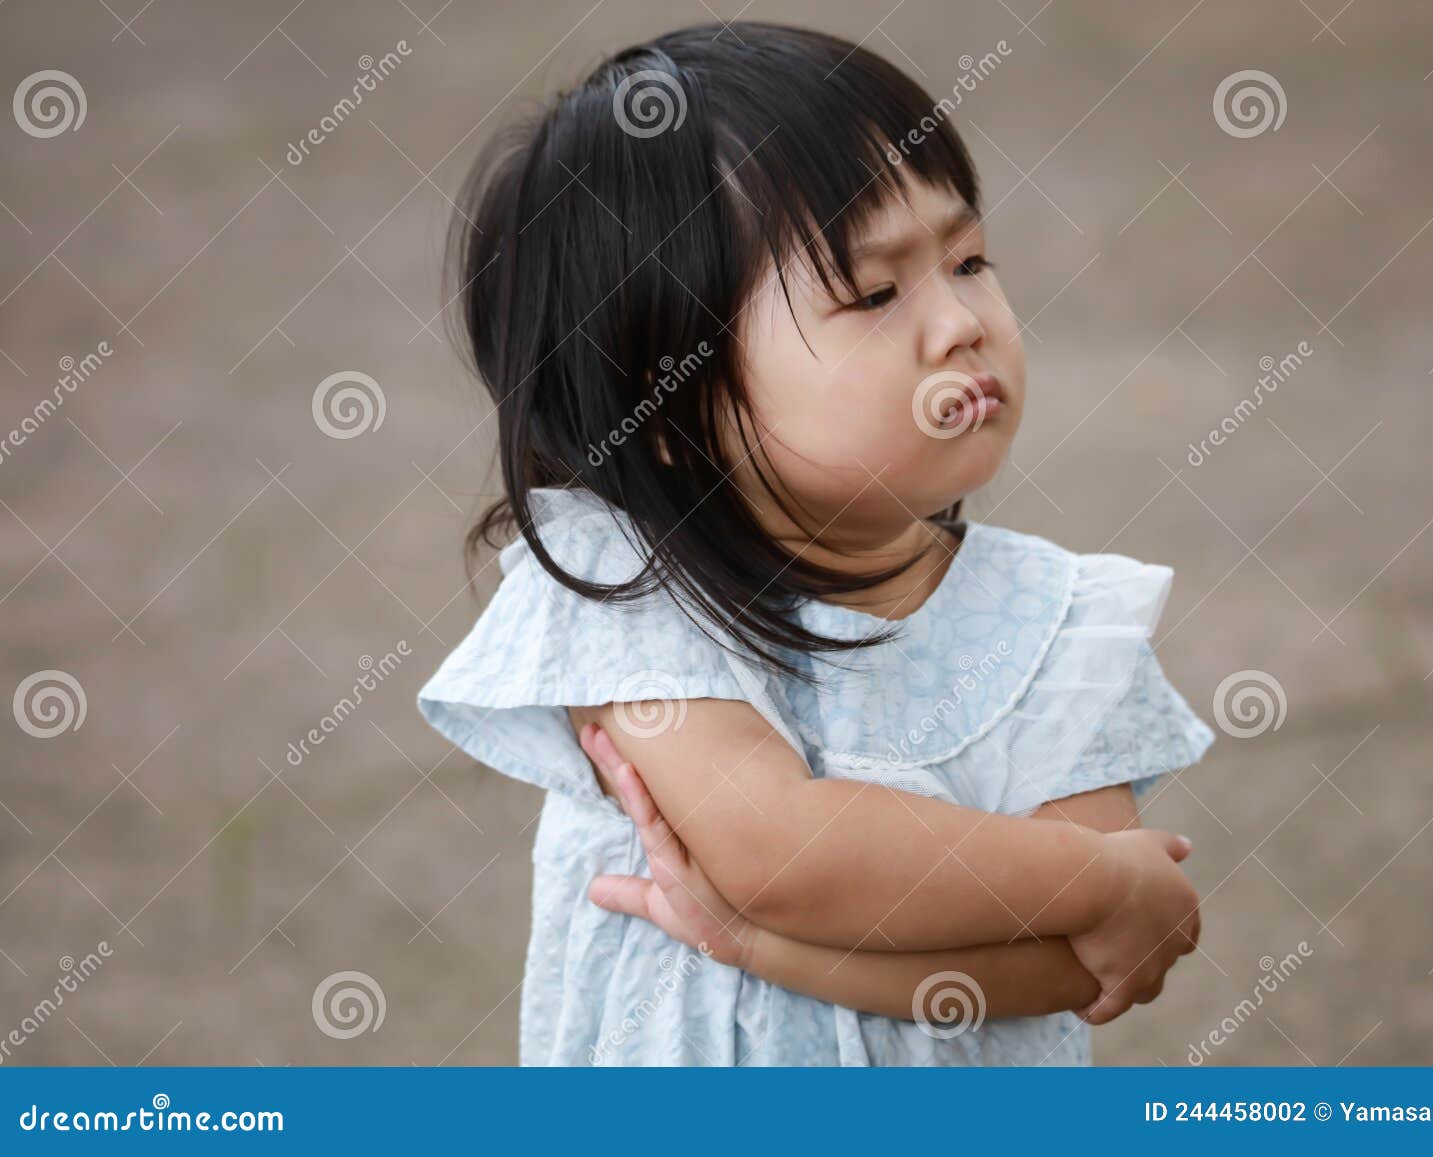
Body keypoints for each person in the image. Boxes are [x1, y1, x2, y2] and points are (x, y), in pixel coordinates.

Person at [417, 20, 1215, 1066]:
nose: (962, 323)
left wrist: (771, 952)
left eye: (969, 260)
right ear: (669, 401)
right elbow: (776, 848)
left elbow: (1080, 965)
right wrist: (1098, 877)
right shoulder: (628, 588)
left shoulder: (1053, 625)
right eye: (876, 293)